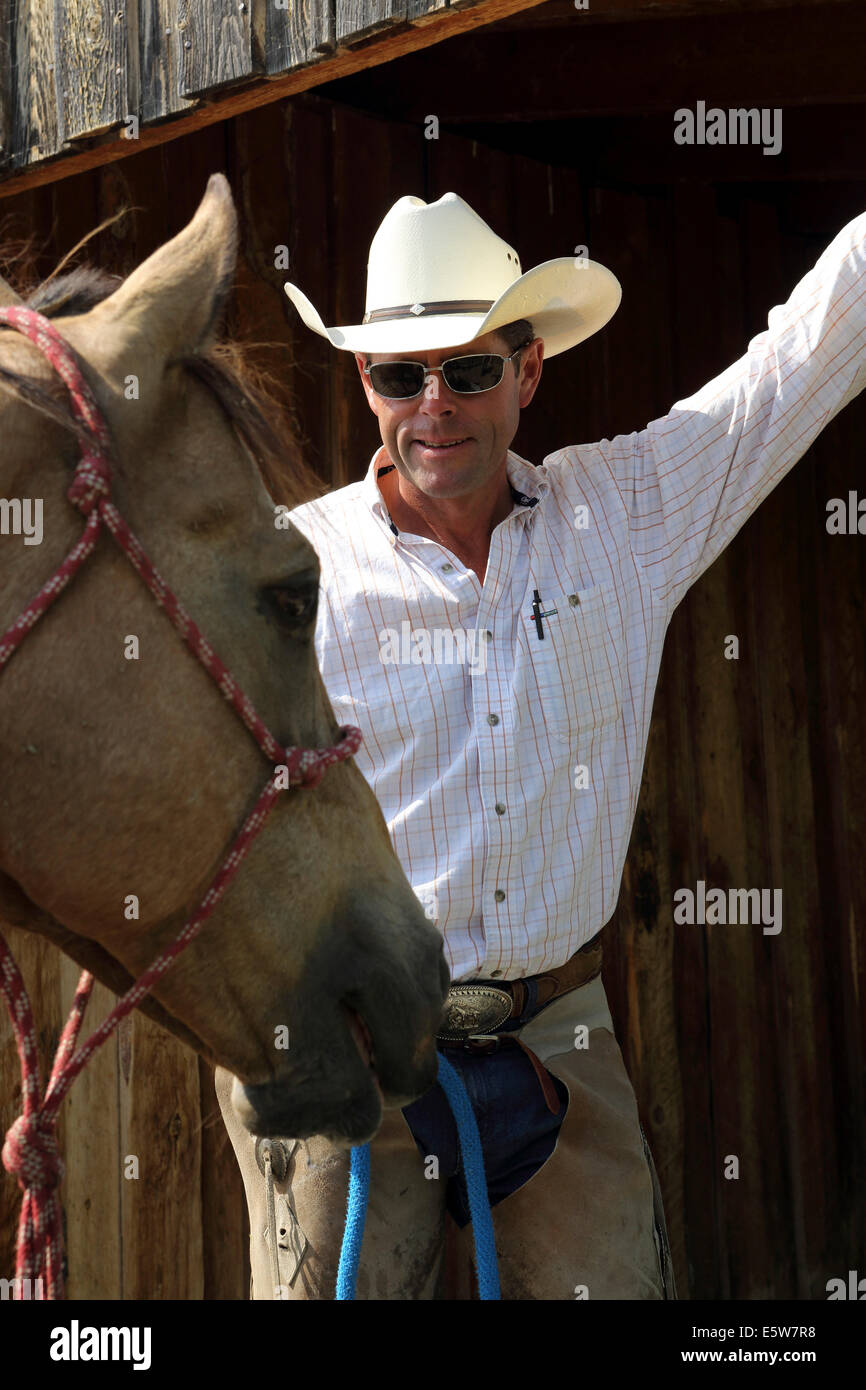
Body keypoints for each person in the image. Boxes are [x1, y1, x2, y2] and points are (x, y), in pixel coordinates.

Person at [216, 191, 866, 1300]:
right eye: (398, 374)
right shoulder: (291, 575)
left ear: (528, 373)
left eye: (468, 371)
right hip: (351, 1046)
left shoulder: (621, 512)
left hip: (555, 1034)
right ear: (361, 382)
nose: (433, 407)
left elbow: (796, 361)